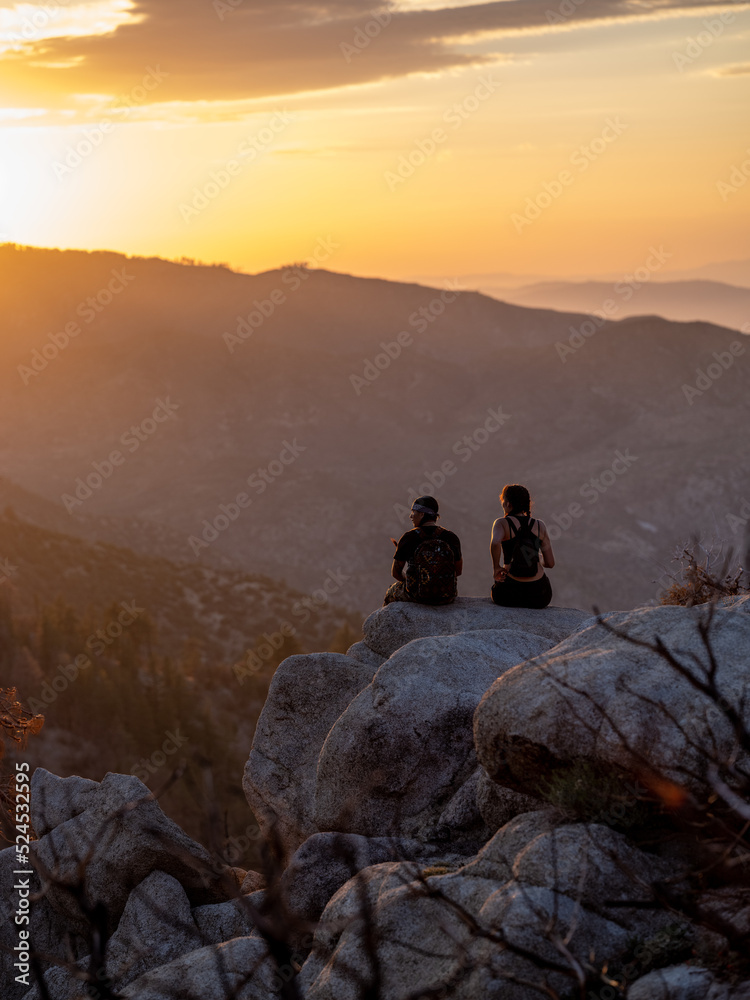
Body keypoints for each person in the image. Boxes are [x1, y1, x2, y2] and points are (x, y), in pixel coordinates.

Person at [383, 496, 463, 606]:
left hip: (417, 596)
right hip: (447, 596)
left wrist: (413, 580)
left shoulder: (408, 538)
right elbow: (458, 571)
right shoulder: (451, 537)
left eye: (413, 511)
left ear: (422, 514)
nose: (410, 516)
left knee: (390, 593)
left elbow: (396, 573)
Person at [490, 484, 555, 609]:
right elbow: (550, 563)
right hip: (539, 595)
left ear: (508, 504)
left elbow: (495, 542)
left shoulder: (502, 523)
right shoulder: (540, 525)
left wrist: (496, 567)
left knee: (496, 589)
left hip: (509, 593)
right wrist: (538, 557)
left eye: (502, 501)